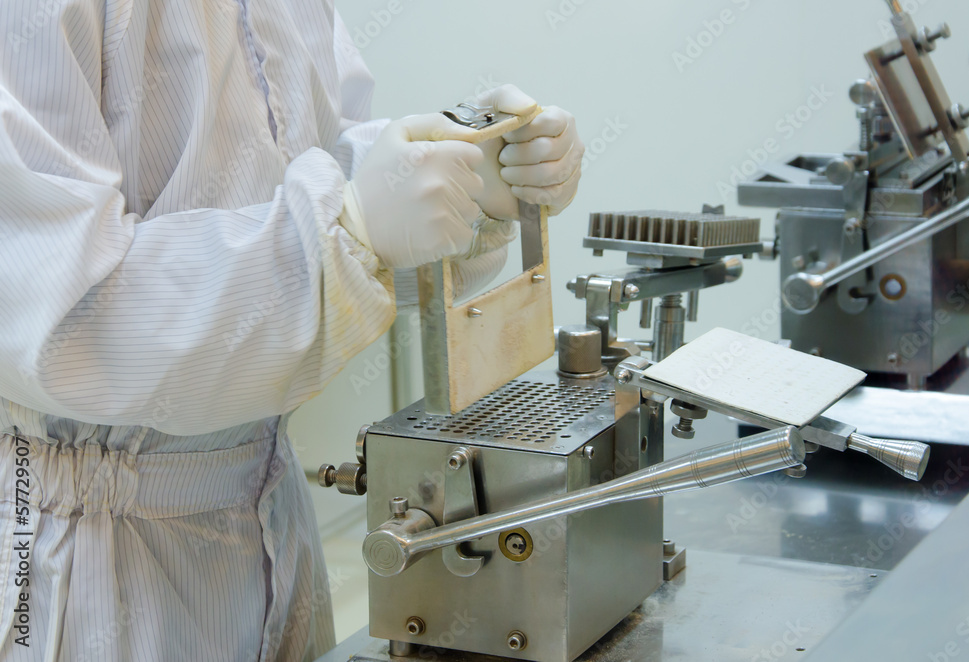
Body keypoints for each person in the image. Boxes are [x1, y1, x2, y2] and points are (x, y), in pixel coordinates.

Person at [0, 2, 583, 661]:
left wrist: (466, 174)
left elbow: (328, 158)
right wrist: (343, 233)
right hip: (87, 562)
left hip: (268, 516)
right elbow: (57, 317)